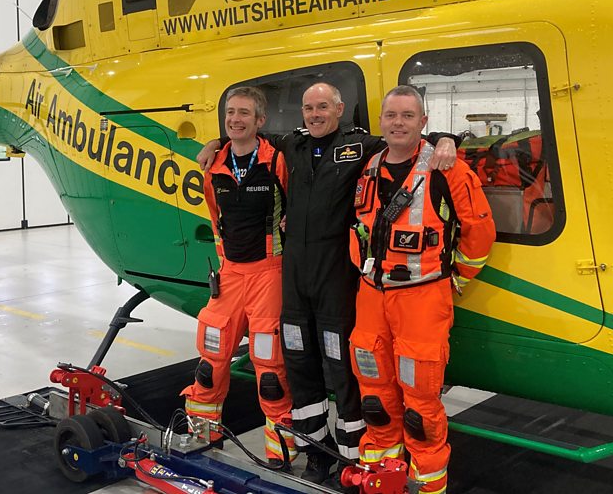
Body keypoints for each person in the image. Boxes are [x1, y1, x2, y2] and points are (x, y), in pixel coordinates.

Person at [197, 82, 458, 488]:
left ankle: (349, 455)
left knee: (344, 370)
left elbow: (402, 137)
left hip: (336, 278)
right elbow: (247, 134)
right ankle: (314, 451)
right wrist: (216, 141)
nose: (315, 114)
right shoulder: (292, 145)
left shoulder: (363, 145)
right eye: (308, 108)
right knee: (298, 365)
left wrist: (445, 139)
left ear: (340, 109)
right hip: (295, 280)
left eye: (323, 107)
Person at [348, 85, 495, 494]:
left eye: (408, 116)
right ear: (380, 122)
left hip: (422, 297)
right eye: (391, 115)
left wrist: (458, 279)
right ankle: (381, 478)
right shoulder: (369, 166)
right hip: (371, 296)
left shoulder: (447, 168)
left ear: (423, 123)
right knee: (375, 397)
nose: (398, 123)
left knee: (420, 405)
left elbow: (480, 233)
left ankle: (428, 485)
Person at [181, 86, 297, 465]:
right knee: (209, 359)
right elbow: (216, 218)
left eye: (244, 113)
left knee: (270, 369)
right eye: (230, 112)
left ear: (260, 121)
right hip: (230, 274)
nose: (235, 119)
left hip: (269, 274)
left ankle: (279, 454)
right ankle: (201, 436)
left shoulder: (276, 159)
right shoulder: (213, 165)